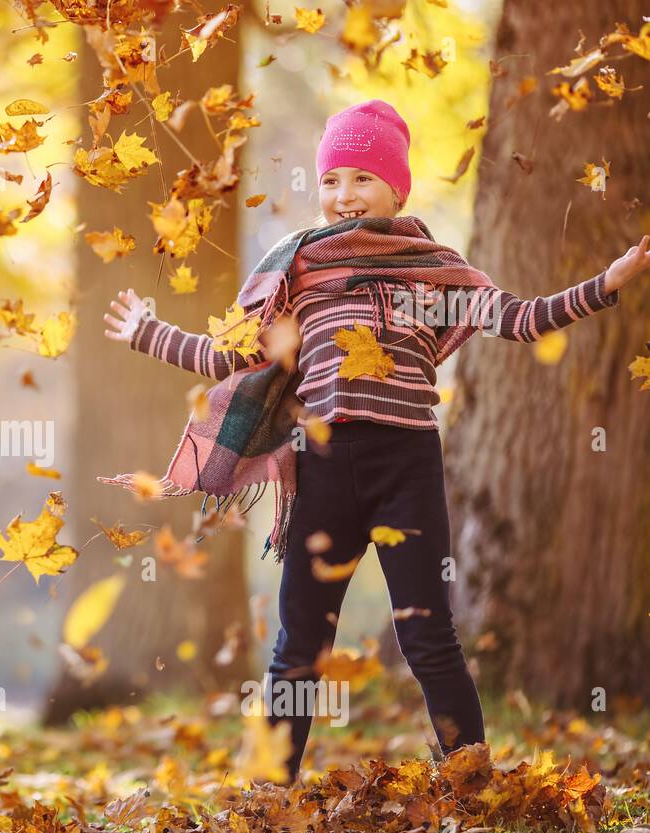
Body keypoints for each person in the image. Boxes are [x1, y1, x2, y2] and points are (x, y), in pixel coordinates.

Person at [99, 100, 648, 781]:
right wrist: (150, 333)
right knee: (299, 642)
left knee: (429, 636)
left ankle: (471, 779)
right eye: (330, 179)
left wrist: (606, 285)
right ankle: (270, 790)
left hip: (407, 472)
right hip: (322, 469)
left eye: (361, 178)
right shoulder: (299, 267)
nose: (341, 194)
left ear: (397, 188)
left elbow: (520, 319)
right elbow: (234, 356)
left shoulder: (435, 268)